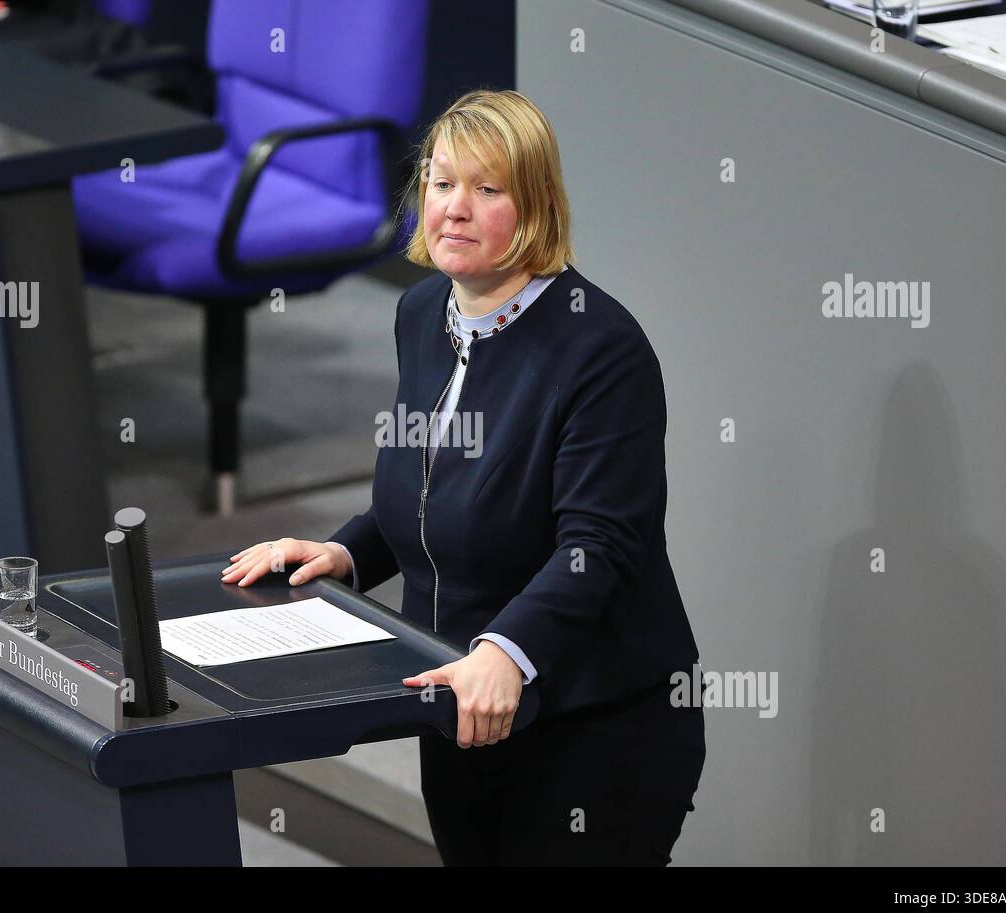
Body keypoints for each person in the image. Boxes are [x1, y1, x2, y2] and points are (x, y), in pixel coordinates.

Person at [222, 89, 705, 866]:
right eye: (442, 183)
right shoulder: (424, 314)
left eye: (487, 189)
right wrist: (345, 555)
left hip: (594, 722)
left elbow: (600, 545)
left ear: (537, 205)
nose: (454, 207)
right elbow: (430, 487)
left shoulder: (601, 349)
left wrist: (506, 651)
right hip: (458, 701)